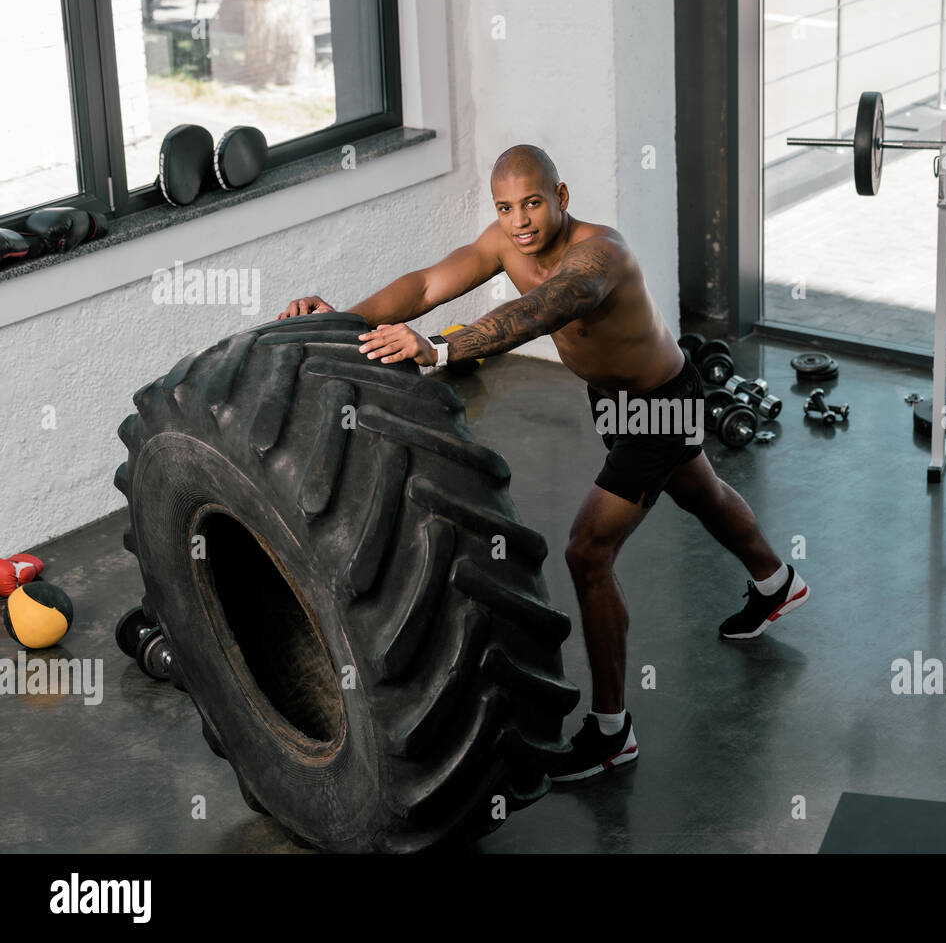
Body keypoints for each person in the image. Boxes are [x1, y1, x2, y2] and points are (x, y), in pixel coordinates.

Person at [277, 145, 809, 781]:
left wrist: (441, 348)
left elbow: (546, 308)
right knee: (700, 491)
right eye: (505, 208)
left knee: (588, 553)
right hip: (612, 399)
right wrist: (342, 320)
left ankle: (613, 734)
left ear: (560, 195)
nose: (519, 221)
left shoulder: (600, 254)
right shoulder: (504, 245)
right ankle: (778, 583)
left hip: (661, 403)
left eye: (532, 202)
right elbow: (424, 285)